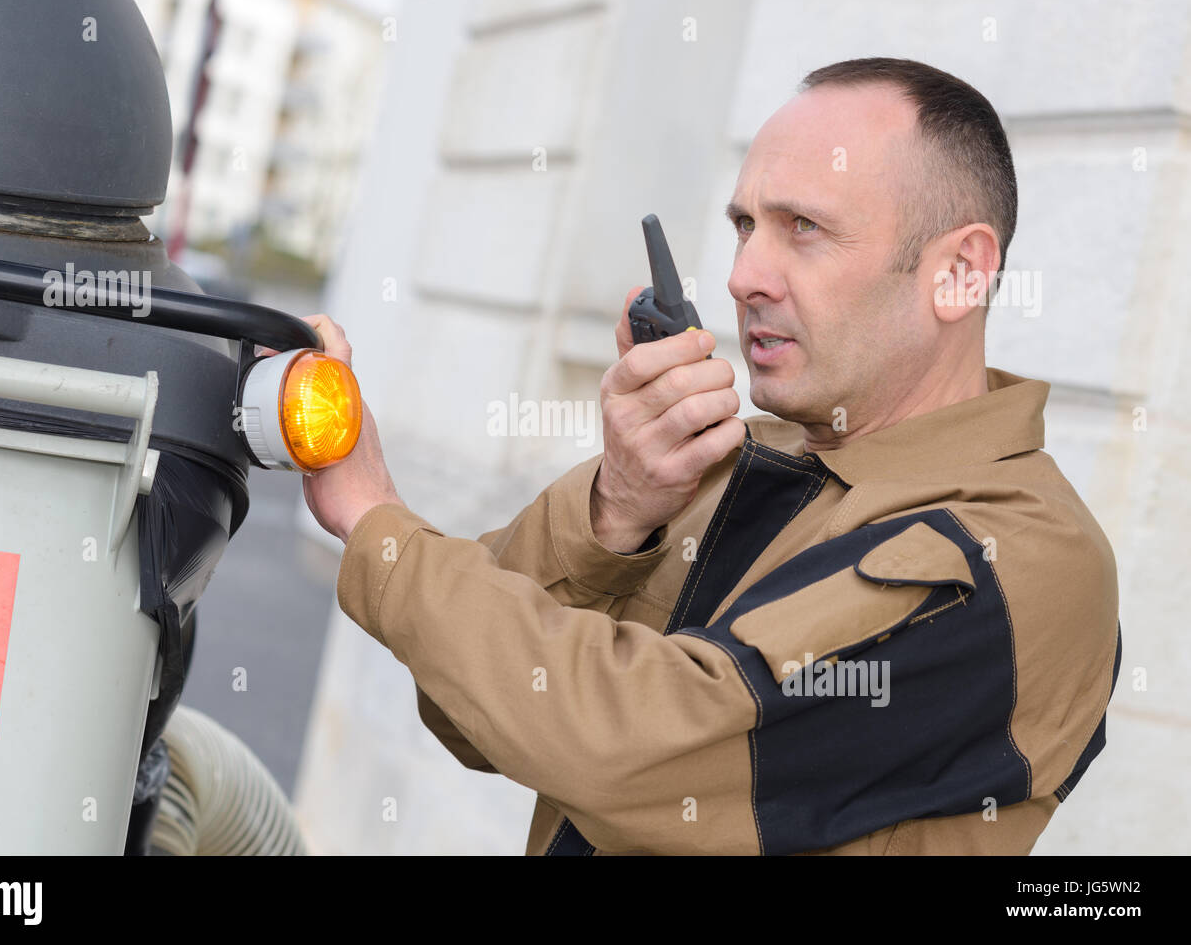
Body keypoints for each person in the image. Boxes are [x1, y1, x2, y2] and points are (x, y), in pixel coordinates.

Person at [296, 58, 1121, 855]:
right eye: (744, 226)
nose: (744, 274)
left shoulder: (1022, 560)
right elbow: (468, 712)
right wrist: (616, 510)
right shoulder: (737, 462)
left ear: (958, 274)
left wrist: (379, 521)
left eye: (804, 227)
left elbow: (638, 747)